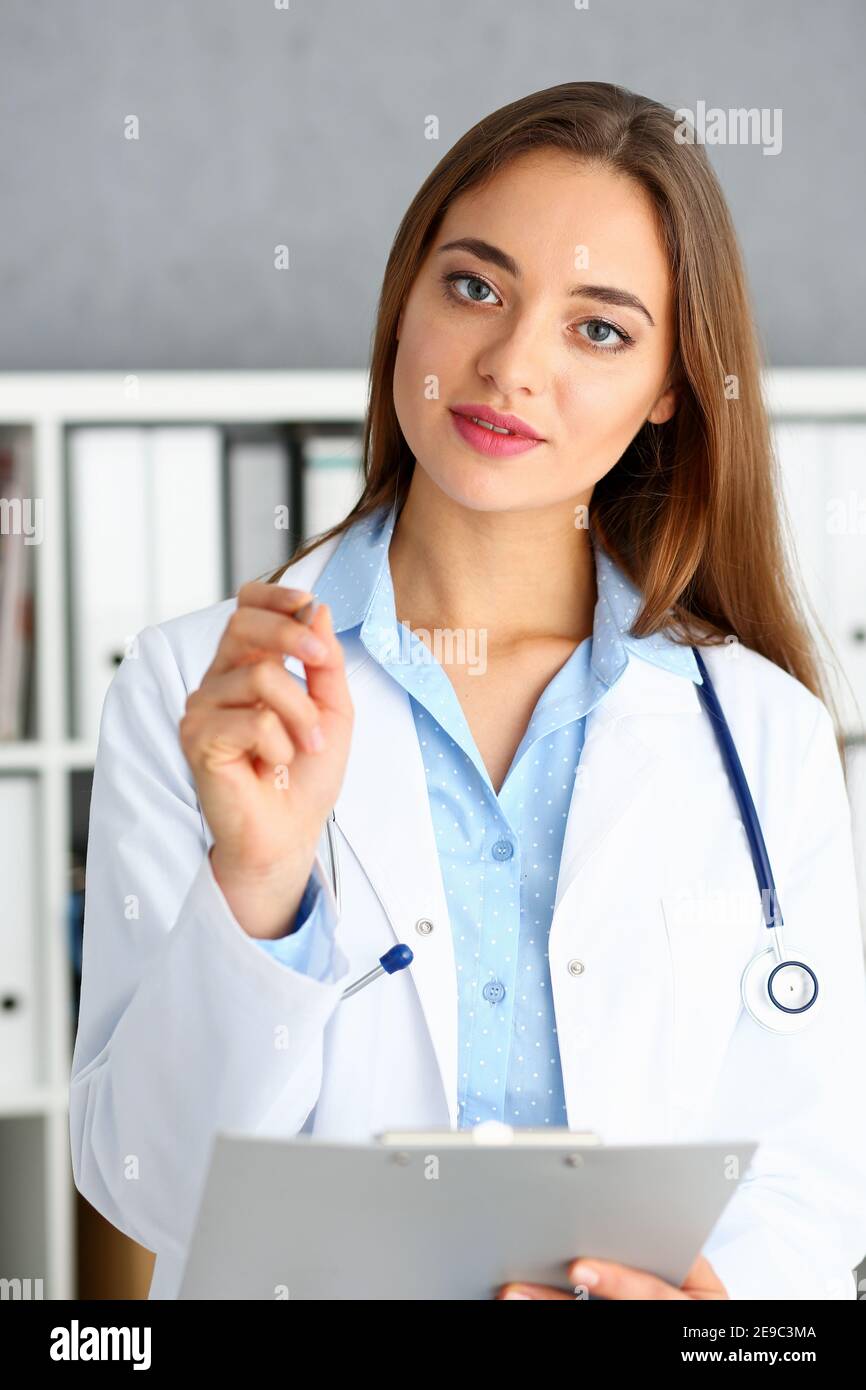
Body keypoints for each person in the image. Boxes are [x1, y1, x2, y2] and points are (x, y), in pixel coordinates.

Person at [70, 80, 866, 1301]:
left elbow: (809, 1182)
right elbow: (145, 1179)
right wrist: (257, 887)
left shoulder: (763, 736)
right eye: (474, 287)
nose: (507, 366)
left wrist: (713, 1315)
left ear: (667, 387)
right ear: (404, 306)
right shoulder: (198, 691)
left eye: (596, 329)